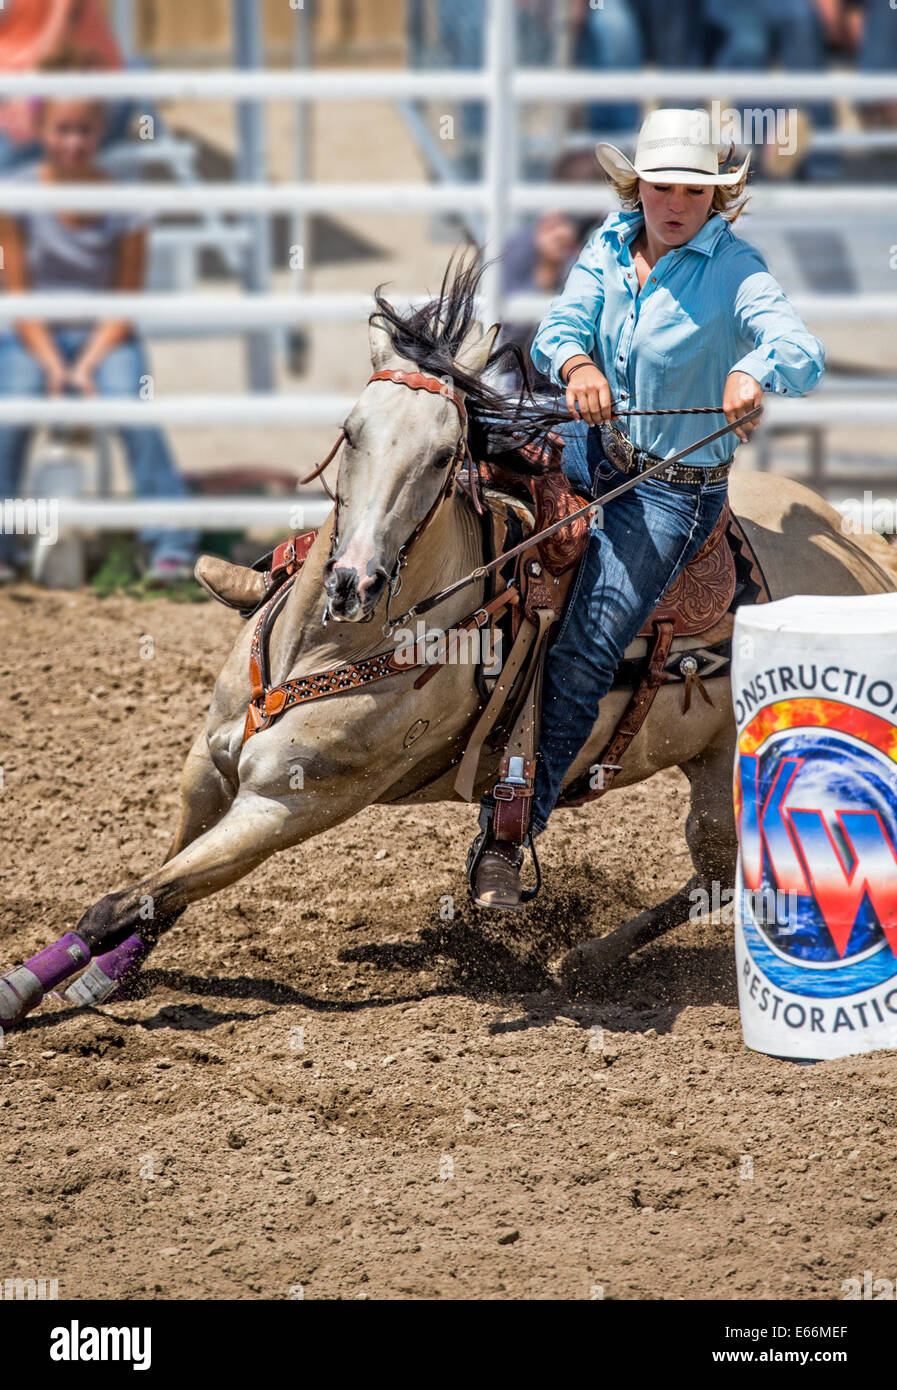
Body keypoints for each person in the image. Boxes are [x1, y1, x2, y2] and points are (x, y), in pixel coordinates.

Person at [468, 107, 825, 910]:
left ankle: (510, 834)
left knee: (591, 641)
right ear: (638, 185)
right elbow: (561, 322)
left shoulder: (734, 269)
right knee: (462, 470)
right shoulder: (608, 241)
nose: (674, 203)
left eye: (693, 191)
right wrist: (575, 359)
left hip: (672, 491)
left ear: (715, 198)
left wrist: (756, 371)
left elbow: (800, 347)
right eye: (661, 186)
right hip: (592, 446)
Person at [0, 87, 197, 584]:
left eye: (83, 130)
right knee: (10, 412)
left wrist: (85, 365)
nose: (73, 141)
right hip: (33, 335)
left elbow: (125, 300)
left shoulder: (123, 202)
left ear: (99, 134)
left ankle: (169, 544)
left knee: (130, 407)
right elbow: (18, 296)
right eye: (62, 129)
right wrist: (52, 363)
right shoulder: (18, 196)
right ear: (43, 133)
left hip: (105, 336)